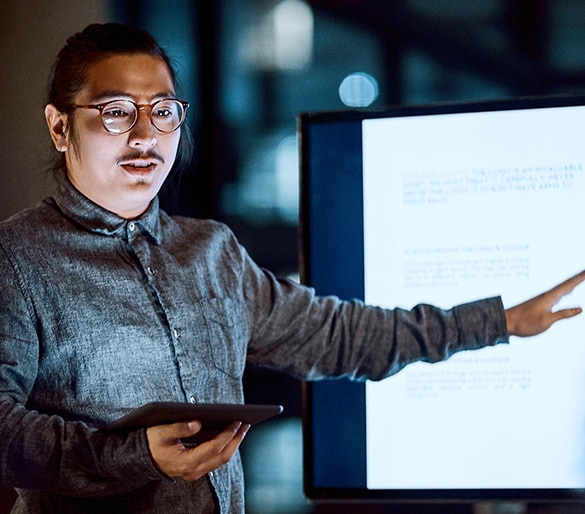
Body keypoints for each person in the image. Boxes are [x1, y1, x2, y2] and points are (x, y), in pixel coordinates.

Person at [0, 22, 583, 514]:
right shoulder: (19, 257)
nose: (147, 135)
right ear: (60, 126)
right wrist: (134, 456)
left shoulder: (210, 252)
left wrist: (500, 321)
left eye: (164, 112)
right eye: (116, 112)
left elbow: (337, 336)